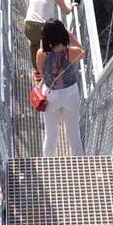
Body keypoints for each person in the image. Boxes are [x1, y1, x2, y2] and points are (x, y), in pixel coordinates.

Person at [35, 20, 85, 156]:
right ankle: (78, 165)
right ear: (63, 34)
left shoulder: (41, 54)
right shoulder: (72, 52)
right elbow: (83, 52)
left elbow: (42, 73)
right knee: (73, 132)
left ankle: (47, 165)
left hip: (51, 96)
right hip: (71, 94)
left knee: (50, 134)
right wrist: (72, 36)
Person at [24, 0, 71, 65]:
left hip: (28, 25)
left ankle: (37, 71)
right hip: (44, 27)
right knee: (50, 47)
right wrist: (72, 7)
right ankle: (50, 68)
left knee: (34, 45)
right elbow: (66, 11)